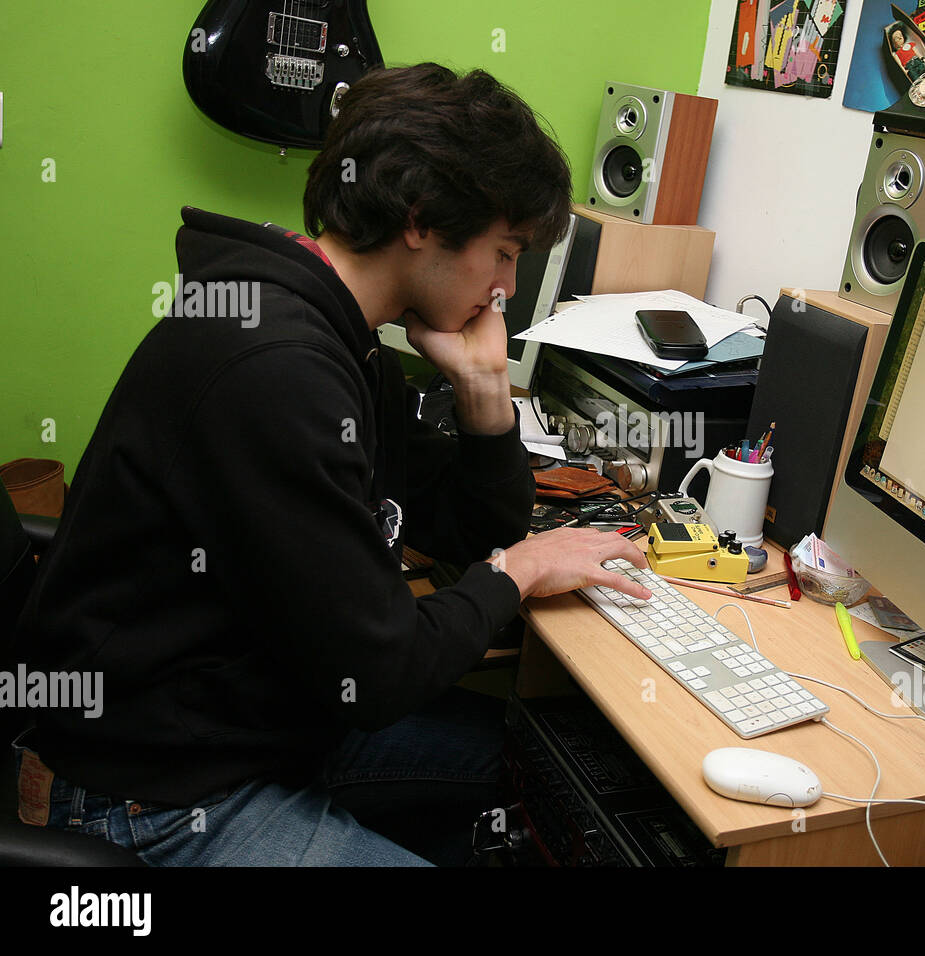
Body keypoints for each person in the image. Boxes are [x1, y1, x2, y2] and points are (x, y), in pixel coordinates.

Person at [11, 64, 653, 866]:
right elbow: (383, 668)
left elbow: (468, 529)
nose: (506, 288)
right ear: (420, 220)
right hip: (160, 797)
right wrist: (515, 575)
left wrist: (487, 393)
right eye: (504, 253)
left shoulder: (342, 343)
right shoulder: (276, 368)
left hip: (274, 729)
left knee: (548, 771)